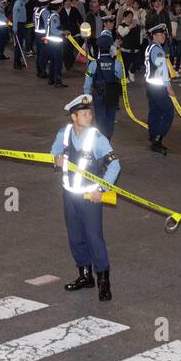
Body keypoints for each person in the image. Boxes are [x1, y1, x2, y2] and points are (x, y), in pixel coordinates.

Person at [52, 94, 121, 301]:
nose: (89, 116)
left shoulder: (97, 138)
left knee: (94, 238)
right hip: (69, 194)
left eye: (89, 113)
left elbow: (115, 165)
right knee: (76, 237)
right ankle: (85, 276)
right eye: (84, 114)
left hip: (90, 198)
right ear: (74, 117)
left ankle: (103, 281)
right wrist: (56, 159)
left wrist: (100, 190)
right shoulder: (64, 134)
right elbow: (54, 152)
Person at [83, 30, 124, 139]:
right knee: (110, 119)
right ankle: (107, 139)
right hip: (112, 95)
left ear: (99, 48)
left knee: (100, 119)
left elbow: (88, 81)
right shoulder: (117, 63)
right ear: (111, 47)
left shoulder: (93, 64)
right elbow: (120, 76)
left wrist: (86, 95)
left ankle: (101, 139)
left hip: (98, 95)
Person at [143, 23, 175, 155]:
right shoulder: (158, 50)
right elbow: (162, 69)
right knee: (168, 111)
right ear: (154, 36)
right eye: (161, 34)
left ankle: (153, 136)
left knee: (154, 112)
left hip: (150, 85)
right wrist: (168, 87)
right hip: (158, 87)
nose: (164, 36)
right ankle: (157, 139)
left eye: (164, 34)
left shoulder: (149, 48)